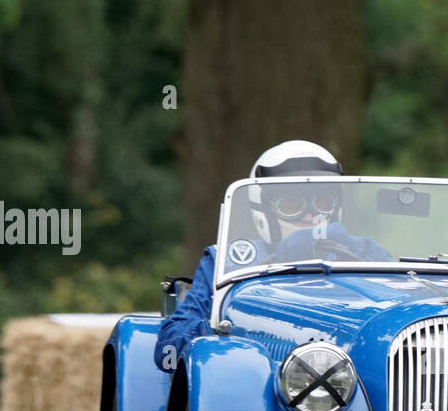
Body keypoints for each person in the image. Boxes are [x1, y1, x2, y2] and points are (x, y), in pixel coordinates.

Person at [154, 140, 383, 372]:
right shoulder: (229, 260)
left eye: (322, 203)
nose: (310, 217)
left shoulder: (365, 252)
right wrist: (220, 331)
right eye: (292, 205)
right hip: (256, 377)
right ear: (264, 211)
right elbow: (168, 350)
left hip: (349, 379)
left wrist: (348, 246)